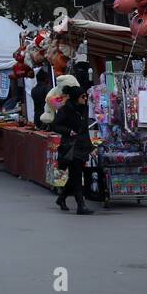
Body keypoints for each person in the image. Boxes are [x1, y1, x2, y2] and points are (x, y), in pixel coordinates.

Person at [51, 84, 94, 215]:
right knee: (76, 175)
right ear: (76, 97)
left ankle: (62, 198)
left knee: (75, 175)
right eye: (83, 96)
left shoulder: (84, 109)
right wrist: (68, 131)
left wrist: (90, 147)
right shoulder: (65, 110)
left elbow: (85, 130)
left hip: (82, 146)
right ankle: (81, 205)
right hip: (70, 146)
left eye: (85, 96)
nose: (85, 98)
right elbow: (55, 125)